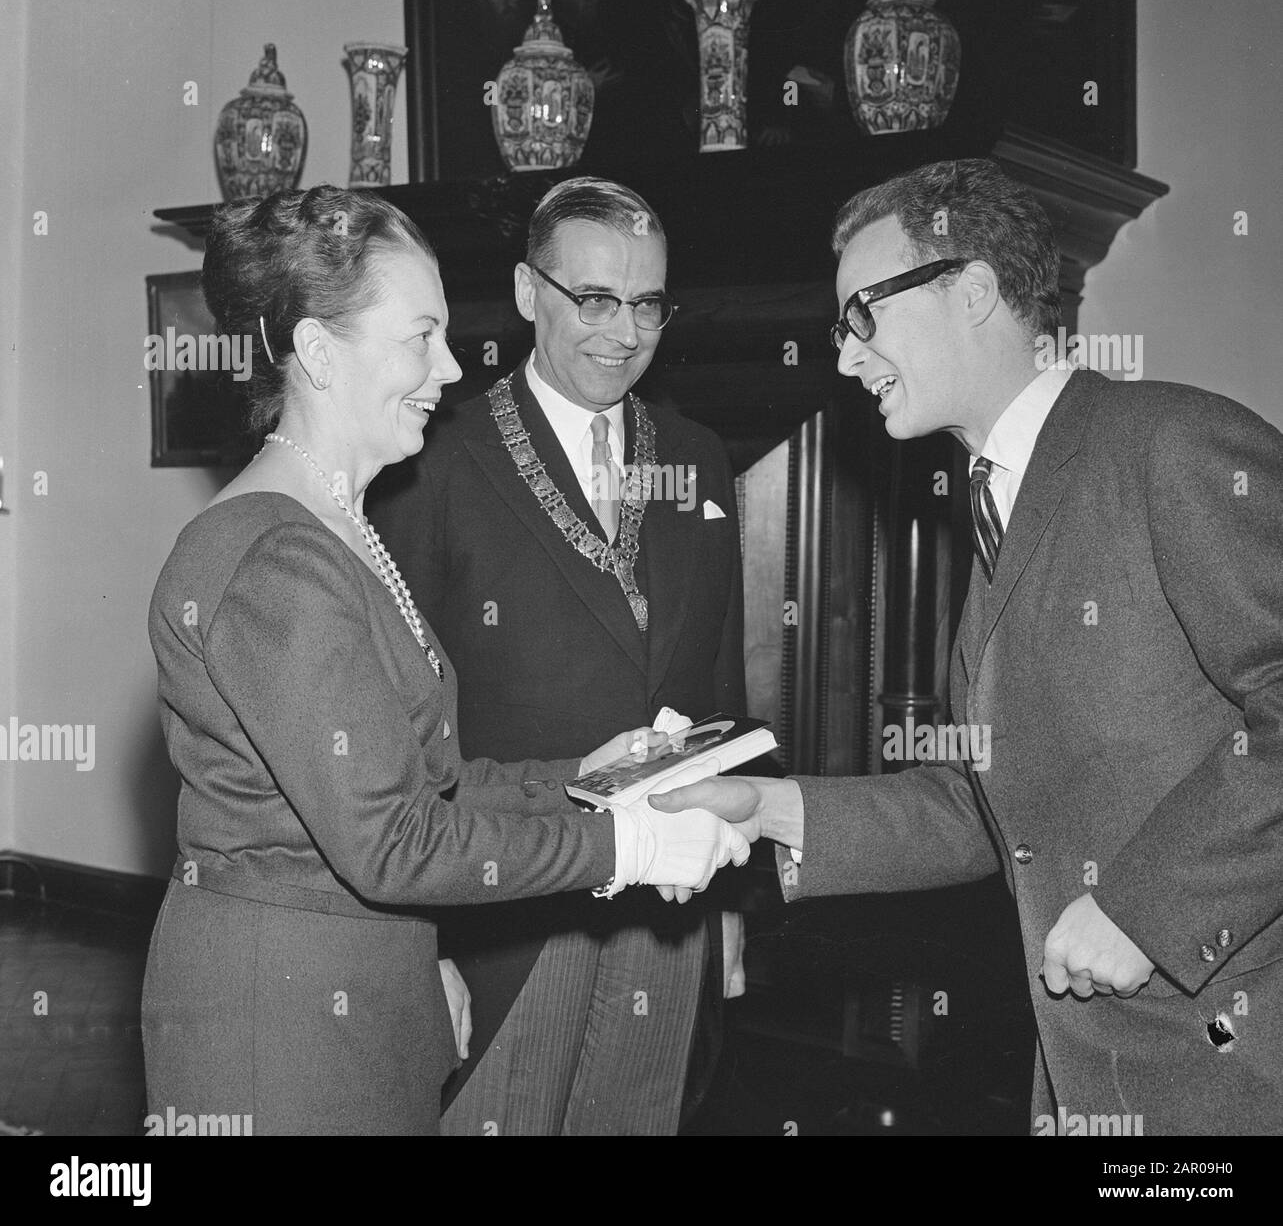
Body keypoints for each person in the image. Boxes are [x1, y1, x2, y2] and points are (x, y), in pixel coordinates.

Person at [656, 158, 1283, 1135]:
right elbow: (973, 801)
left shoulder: (1170, 446)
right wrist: (765, 807)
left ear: (974, 291)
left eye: (861, 313)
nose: (846, 356)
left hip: (1229, 1081)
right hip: (1094, 1081)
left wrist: (1143, 910)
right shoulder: (995, 507)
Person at [141, 185, 748, 1136]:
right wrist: (626, 845)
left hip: (363, 996)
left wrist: (589, 779)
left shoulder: (334, 529)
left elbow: (433, 785)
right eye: (420, 338)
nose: (451, 365)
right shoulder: (275, 560)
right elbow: (394, 842)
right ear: (317, 353)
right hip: (282, 1025)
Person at [369, 176, 747, 1136]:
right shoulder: (431, 457)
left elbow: (721, 691)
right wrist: (420, 951)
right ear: (528, 292)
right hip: (508, 914)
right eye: (594, 299)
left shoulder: (698, 456)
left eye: (648, 303)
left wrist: (736, 900)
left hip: (668, 911)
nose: (625, 332)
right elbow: (393, 744)